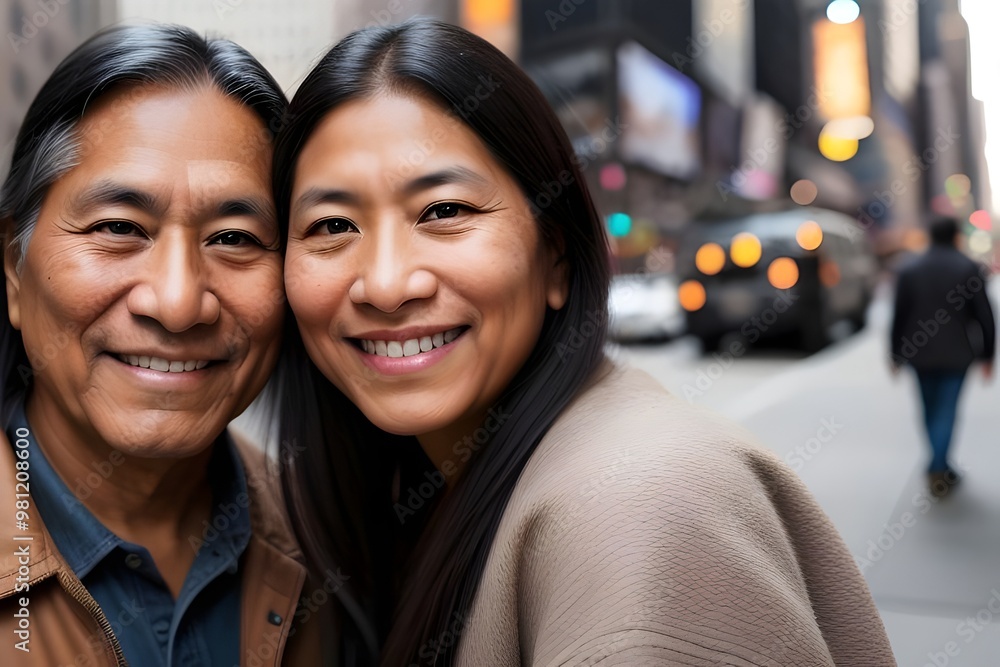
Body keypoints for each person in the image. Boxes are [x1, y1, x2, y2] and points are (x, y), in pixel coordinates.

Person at [270, 18, 896, 666]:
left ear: (557, 259)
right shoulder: (408, 485)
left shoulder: (643, 509)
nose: (388, 284)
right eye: (333, 224)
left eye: (444, 211)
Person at [0, 24, 317, 666]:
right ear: (13, 266)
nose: (177, 304)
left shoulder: (330, 548)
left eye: (234, 238)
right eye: (119, 227)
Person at [890, 216, 995, 497]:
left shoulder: (910, 269)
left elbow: (899, 315)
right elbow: (985, 316)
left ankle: (939, 464)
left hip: (919, 353)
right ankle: (939, 467)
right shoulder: (968, 268)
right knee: (946, 411)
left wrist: (895, 354)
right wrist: (988, 355)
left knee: (928, 410)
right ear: (956, 237)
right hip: (957, 354)